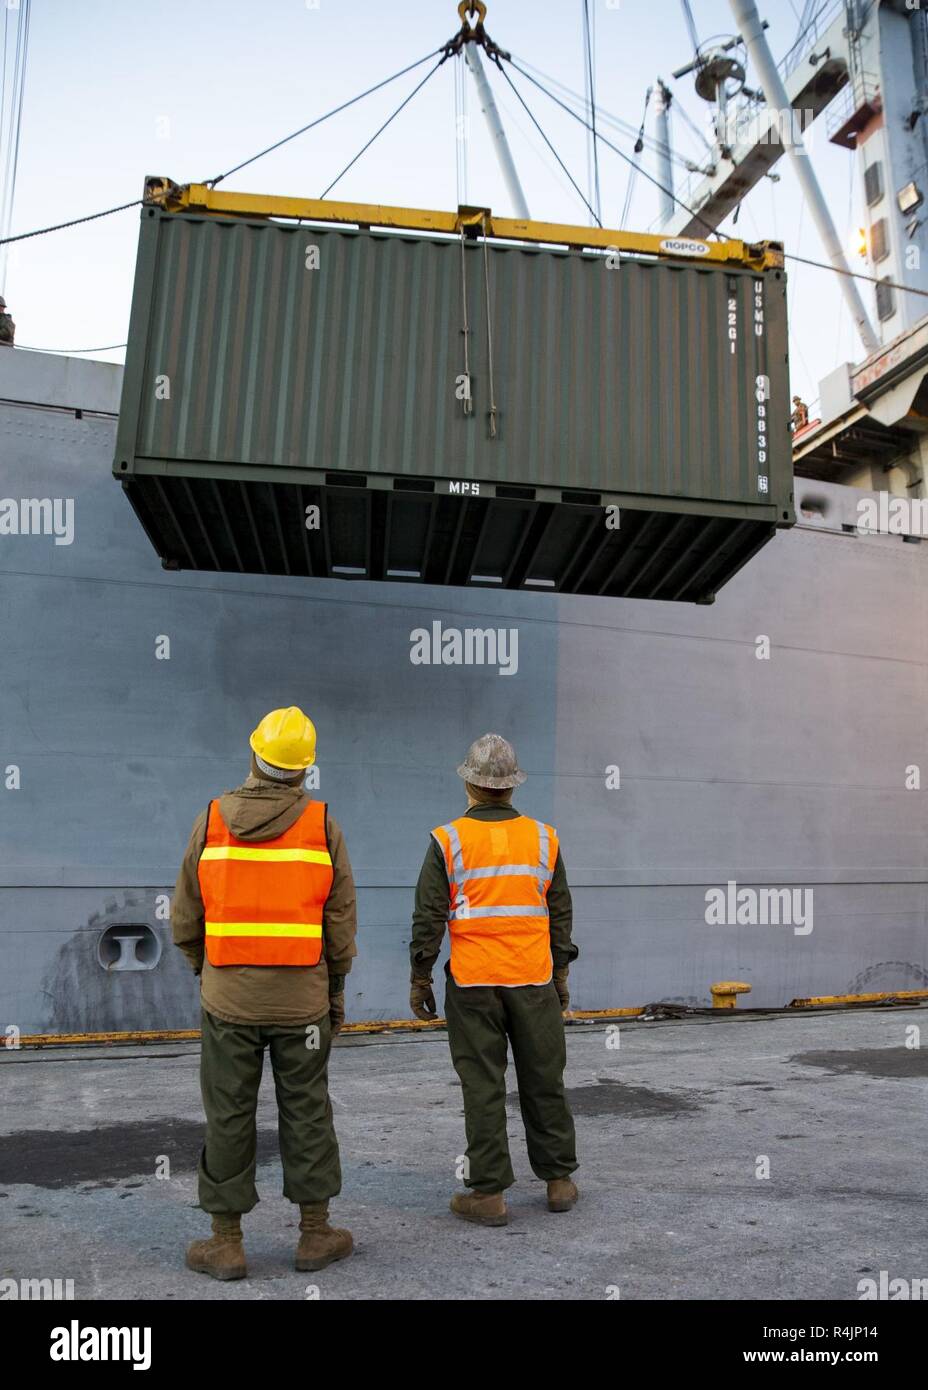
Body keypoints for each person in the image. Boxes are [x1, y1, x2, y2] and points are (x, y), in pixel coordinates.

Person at [172, 706, 357, 1279]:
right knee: (307, 1112)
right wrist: (334, 991)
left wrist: (212, 970)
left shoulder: (211, 819)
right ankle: (315, 1234)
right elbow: (340, 924)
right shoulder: (322, 824)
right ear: (304, 771)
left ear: (254, 755)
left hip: (229, 1003)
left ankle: (226, 1242)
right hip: (302, 1002)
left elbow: (184, 918)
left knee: (228, 1111)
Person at [409, 733, 579, 1227]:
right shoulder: (545, 838)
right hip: (533, 979)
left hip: (474, 982)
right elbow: (559, 911)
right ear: (511, 786)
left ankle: (488, 1194)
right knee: (544, 1078)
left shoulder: (448, 840)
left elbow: (428, 917)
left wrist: (420, 977)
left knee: (483, 1085)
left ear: (470, 784)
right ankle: (559, 1181)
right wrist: (560, 972)